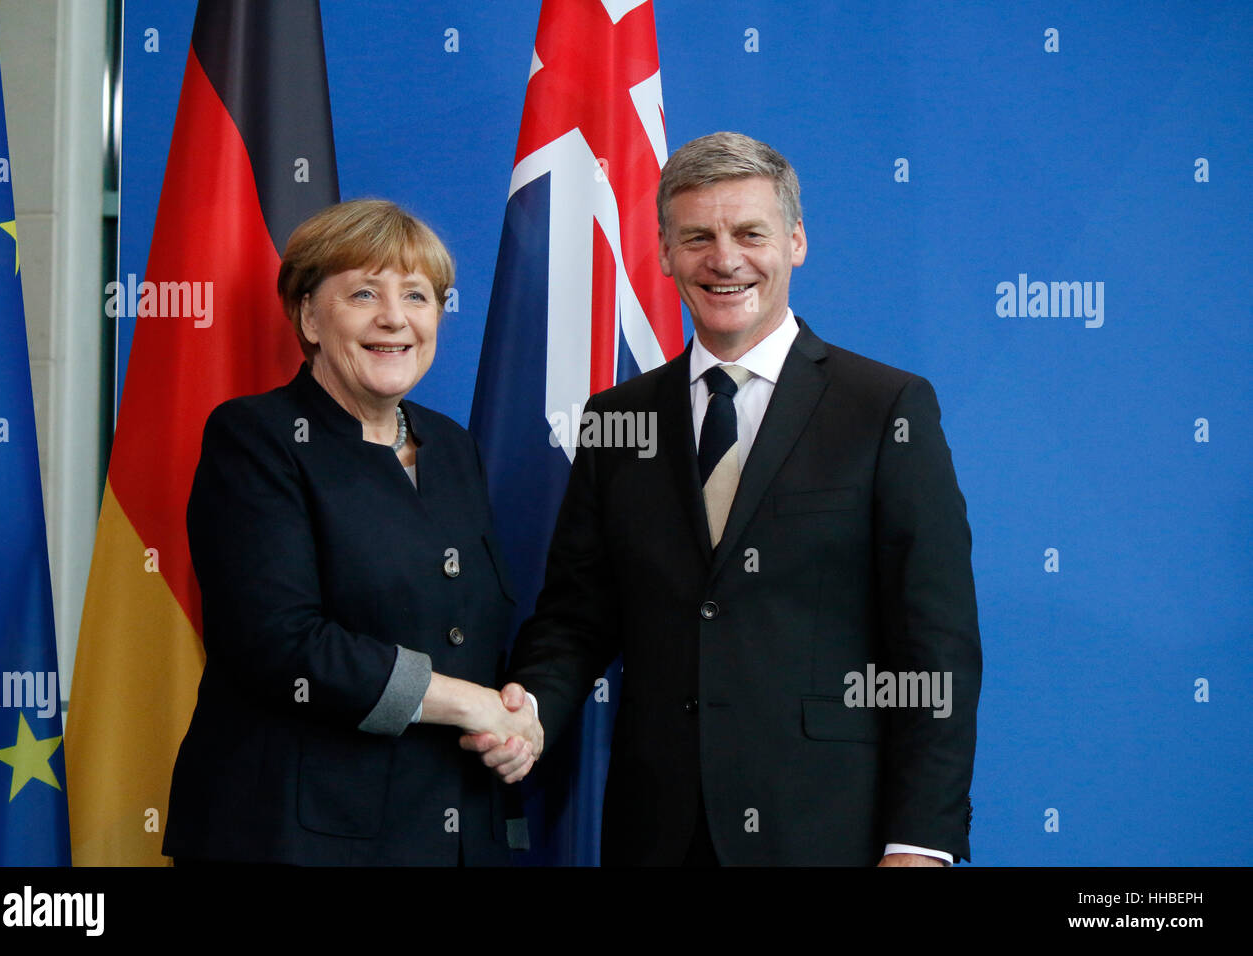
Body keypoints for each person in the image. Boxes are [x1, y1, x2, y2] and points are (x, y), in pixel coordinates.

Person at [468, 132, 981, 865]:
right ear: (665, 253)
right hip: (656, 831)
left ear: (796, 241)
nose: (725, 259)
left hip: (829, 832)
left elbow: (936, 647)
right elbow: (577, 618)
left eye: (750, 233)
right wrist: (531, 713)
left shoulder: (886, 407)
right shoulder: (619, 418)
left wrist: (919, 842)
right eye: (698, 236)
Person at [163, 199, 542, 866]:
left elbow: (467, 629)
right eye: (364, 292)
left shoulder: (453, 448)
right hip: (299, 837)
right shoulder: (256, 439)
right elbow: (278, 642)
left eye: (418, 296)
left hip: (454, 832)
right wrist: (469, 703)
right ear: (309, 316)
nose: (394, 317)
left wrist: (514, 722)